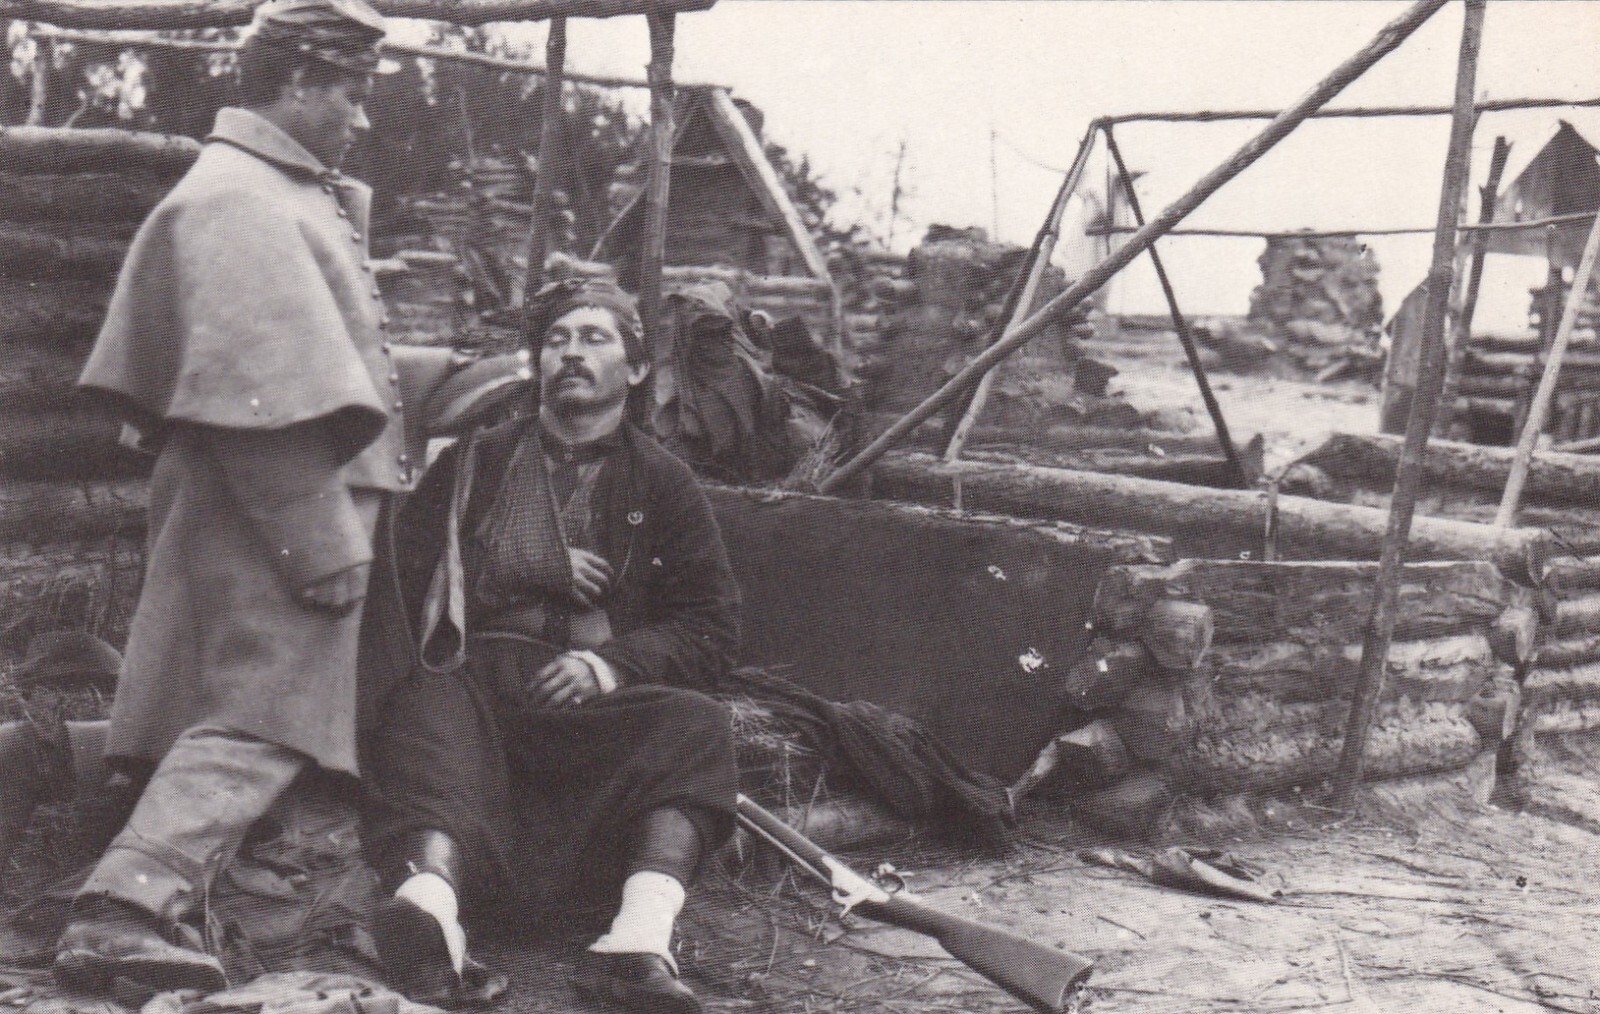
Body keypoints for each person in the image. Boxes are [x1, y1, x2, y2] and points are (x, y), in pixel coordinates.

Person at [52, 0, 470, 994]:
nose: (363, 117)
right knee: (262, 719)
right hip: (273, 504)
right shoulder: (242, 200)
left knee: (223, 706)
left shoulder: (264, 188)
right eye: (351, 92)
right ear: (295, 82)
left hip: (257, 500)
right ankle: (123, 909)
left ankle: (176, 900)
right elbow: (257, 399)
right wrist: (318, 538)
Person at [362, 278, 741, 1014]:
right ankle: (431, 917)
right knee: (418, 703)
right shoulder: (473, 461)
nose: (571, 353)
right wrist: (516, 569)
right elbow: (401, 590)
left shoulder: (664, 482)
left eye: (595, 339)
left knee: (697, 726)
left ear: (636, 370)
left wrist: (609, 666)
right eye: (557, 340)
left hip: (581, 707)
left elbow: (713, 625)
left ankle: (635, 945)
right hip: (468, 682)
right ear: (537, 363)